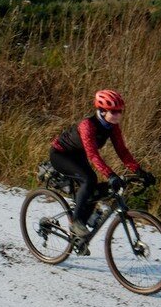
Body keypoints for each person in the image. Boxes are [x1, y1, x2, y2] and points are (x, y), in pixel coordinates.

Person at [49, 89, 142, 237]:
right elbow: (93, 155)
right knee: (88, 180)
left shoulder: (112, 126)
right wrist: (110, 174)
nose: (118, 115)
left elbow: (122, 151)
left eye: (120, 111)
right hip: (60, 155)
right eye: (114, 112)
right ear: (102, 111)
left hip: (78, 155)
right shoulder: (88, 125)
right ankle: (75, 223)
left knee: (94, 187)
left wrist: (139, 171)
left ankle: (86, 218)